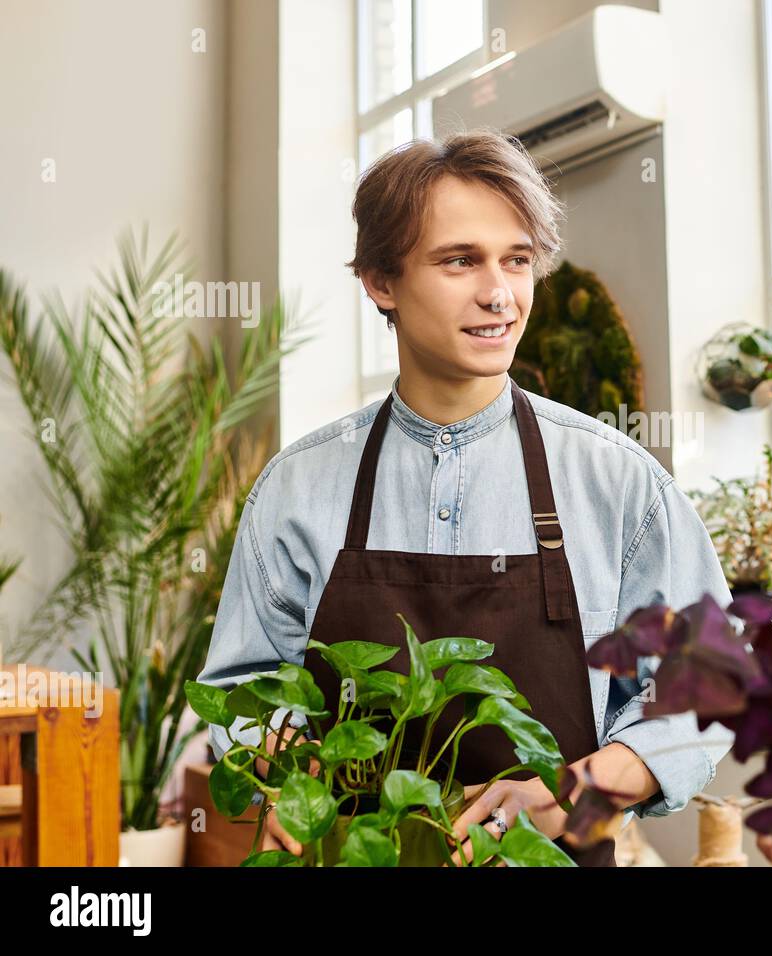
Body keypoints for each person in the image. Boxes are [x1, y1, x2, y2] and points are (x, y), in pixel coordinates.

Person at [197, 130, 734, 866]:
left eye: (517, 260)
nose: (499, 294)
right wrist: (284, 768)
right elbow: (241, 683)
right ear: (381, 282)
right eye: (460, 261)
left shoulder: (618, 482)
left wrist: (586, 787)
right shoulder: (297, 488)